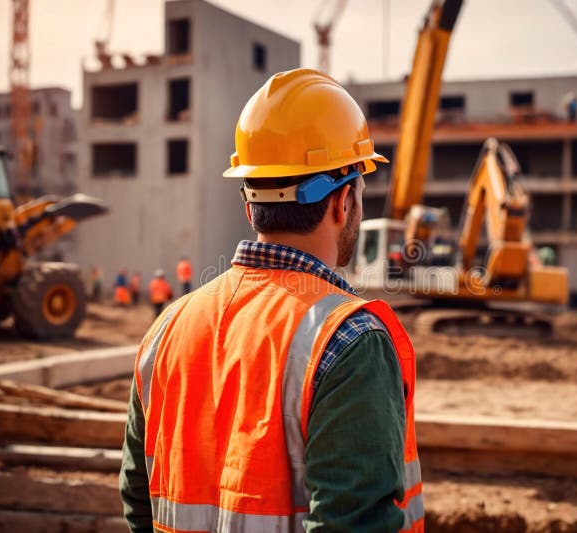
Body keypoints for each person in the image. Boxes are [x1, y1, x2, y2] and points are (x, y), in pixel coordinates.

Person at [120, 69, 422, 533]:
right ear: (343, 202)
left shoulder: (166, 329)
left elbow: (139, 503)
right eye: (360, 194)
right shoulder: (349, 340)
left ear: (250, 206)